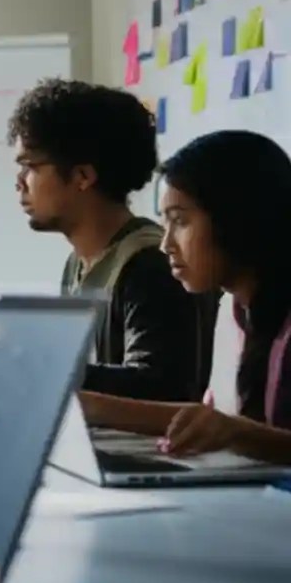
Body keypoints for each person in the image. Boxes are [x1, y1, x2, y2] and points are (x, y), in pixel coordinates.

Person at [81, 130, 291, 465]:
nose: (166, 245)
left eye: (180, 221)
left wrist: (239, 434)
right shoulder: (233, 309)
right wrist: (88, 406)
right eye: (165, 223)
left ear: (236, 218)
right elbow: (208, 422)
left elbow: (232, 430)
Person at [8, 79, 216, 402]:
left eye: (30, 166)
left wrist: (37, 366)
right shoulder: (78, 264)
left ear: (82, 177)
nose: (19, 183)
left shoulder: (151, 265)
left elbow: (159, 388)